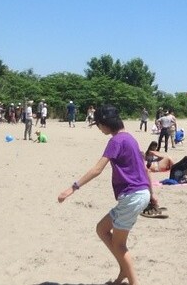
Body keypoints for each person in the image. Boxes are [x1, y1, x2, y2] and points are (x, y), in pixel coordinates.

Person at [58, 106, 156, 285]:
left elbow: (97, 169)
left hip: (132, 196)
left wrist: (72, 188)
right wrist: (152, 194)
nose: (99, 128)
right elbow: (144, 168)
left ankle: (133, 281)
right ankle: (124, 270)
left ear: (105, 124)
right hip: (141, 193)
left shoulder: (116, 141)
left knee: (119, 245)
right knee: (102, 229)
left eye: (98, 125)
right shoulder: (131, 139)